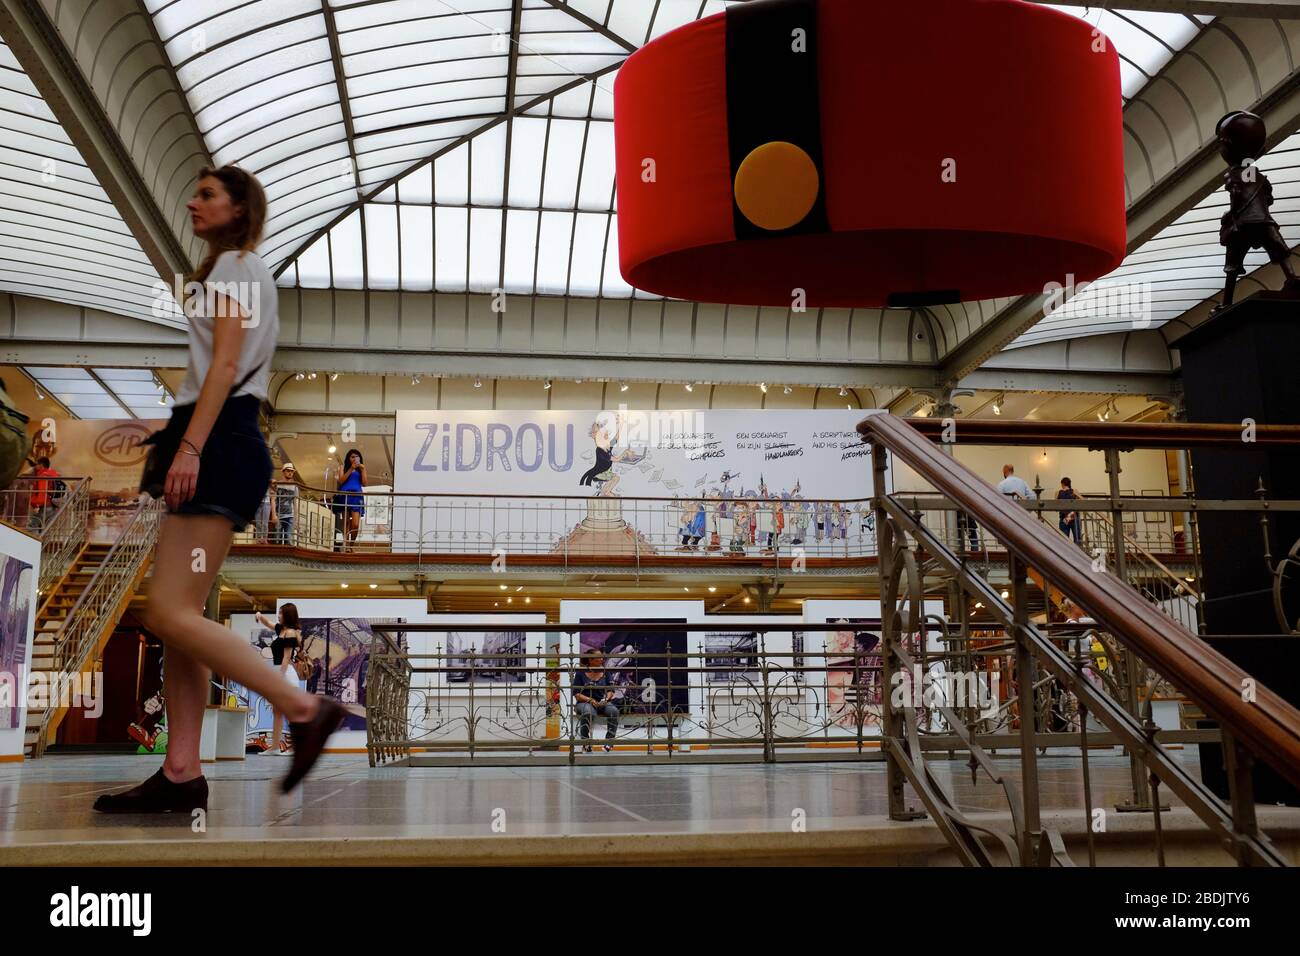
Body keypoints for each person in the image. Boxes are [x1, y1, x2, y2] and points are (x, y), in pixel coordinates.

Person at [93, 165, 343, 814]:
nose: (191, 202)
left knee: (165, 612)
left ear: (239, 209)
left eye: (207, 194)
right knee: (185, 618)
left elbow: (225, 366)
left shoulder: (236, 266)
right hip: (228, 435)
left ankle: (303, 707)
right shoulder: (240, 273)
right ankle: (181, 771)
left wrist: (191, 446)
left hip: (219, 436)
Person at [254, 604, 302, 754]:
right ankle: (274, 747)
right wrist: (259, 615)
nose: (278, 615)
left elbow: (287, 657)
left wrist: (279, 677)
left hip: (286, 673)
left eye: (281, 613)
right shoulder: (280, 630)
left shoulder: (290, 633)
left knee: (290, 711)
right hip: (280, 672)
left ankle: (296, 747)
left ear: (288, 615)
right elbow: (268, 623)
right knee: (277, 711)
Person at [572, 650, 619, 752]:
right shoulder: (581, 673)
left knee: (613, 711)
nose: (602, 660)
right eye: (599, 658)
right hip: (584, 702)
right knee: (589, 713)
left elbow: (611, 690)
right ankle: (586, 742)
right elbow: (576, 694)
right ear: (590, 660)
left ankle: (609, 742)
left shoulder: (605, 672)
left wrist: (606, 699)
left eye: (602, 658)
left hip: (602, 702)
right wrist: (590, 699)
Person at [337, 448, 367, 549]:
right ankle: (345, 544)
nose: (354, 458)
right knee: (346, 522)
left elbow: (364, 483)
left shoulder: (361, 468)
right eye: (352, 457)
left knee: (355, 524)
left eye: (356, 456)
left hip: (357, 496)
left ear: (360, 458)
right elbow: (341, 480)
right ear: (348, 458)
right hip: (345, 495)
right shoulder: (343, 467)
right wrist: (351, 468)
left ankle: (351, 545)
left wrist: (362, 469)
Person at [26, 456, 59, 531]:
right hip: (52, 507)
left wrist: (32, 501)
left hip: (45, 508)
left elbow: (42, 497)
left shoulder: (43, 476)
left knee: (30, 528)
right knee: (43, 531)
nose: (35, 466)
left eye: (37, 464)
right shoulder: (52, 474)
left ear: (41, 465)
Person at [270, 461, 300, 545]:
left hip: (289, 516)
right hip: (278, 515)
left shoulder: (295, 487)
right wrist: (274, 515)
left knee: (289, 540)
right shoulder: (277, 485)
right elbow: (273, 499)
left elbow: (295, 503)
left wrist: (296, 519)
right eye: (288, 471)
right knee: (277, 540)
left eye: (291, 471)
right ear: (283, 472)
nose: (290, 473)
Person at [1056, 476, 1081, 544]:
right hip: (1074, 517)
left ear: (1062, 484)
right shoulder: (1074, 491)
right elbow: (1082, 501)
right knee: (1077, 539)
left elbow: (1055, 504)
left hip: (1064, 517)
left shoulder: (1058, 492)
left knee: (1064, 540)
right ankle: (1078, 553)